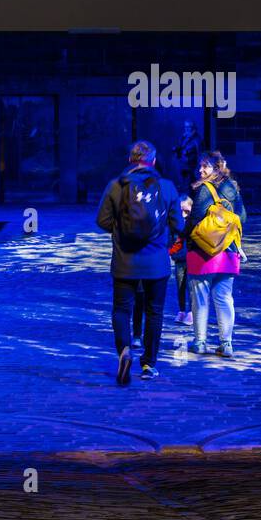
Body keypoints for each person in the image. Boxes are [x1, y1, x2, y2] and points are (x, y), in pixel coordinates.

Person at [96, 140, 183, 384]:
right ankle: (149, 364)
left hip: (125, 262)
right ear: (154, 161)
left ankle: (124, 349)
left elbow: (102, 221)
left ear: (130, 160)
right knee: (154, 312)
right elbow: (179, 225)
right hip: (157, 263)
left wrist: (121, 229)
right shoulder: (166, 187)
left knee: (122, 309)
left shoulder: (116, 186)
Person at [184, 151, 247, 358]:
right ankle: (226, 344)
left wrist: (185, 235)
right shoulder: (233, 189)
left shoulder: (204, 189)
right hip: (228, 251)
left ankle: (200, 342)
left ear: (217, 168)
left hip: (203, 252)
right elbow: (243, 217)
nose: (201, 170)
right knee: (224, 298)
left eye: (205, 166)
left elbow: (194, 220)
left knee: (200, 299)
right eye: (200, 166)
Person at [169, 197, 193, 325]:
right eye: (180, 211)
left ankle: (191, 313)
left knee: (191, 287)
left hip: (192, 258)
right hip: (179, 259)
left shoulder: (193, 222)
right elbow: (170, 239)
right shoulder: (174, 224)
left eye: (186, 211)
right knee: (180, 286)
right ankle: (182, 310)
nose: (183, 214)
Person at [171, 120, 201, 191]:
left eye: (189, 127)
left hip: (191, 168)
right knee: (183, 185)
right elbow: (181, 147)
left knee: (189, 186)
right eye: (186, 127)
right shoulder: (183, 137)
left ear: (193, 128)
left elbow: (199, 153)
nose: (187, 129)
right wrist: (177, 149)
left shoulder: (197, 139)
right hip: (182, 165)